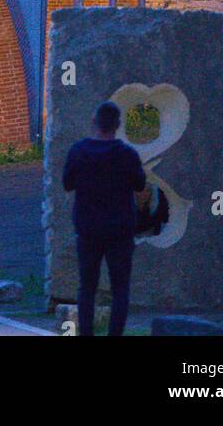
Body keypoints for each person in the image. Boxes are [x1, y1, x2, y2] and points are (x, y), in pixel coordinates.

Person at [62, 99, 146, 337]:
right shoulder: (127, 155)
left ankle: (86, 334)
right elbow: (140, 185)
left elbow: (67, 184)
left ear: (94, 122)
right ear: (117, 125)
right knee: (120, 288)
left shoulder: (78, 152)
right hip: (120, 231)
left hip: (88, 229)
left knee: (87, 287)